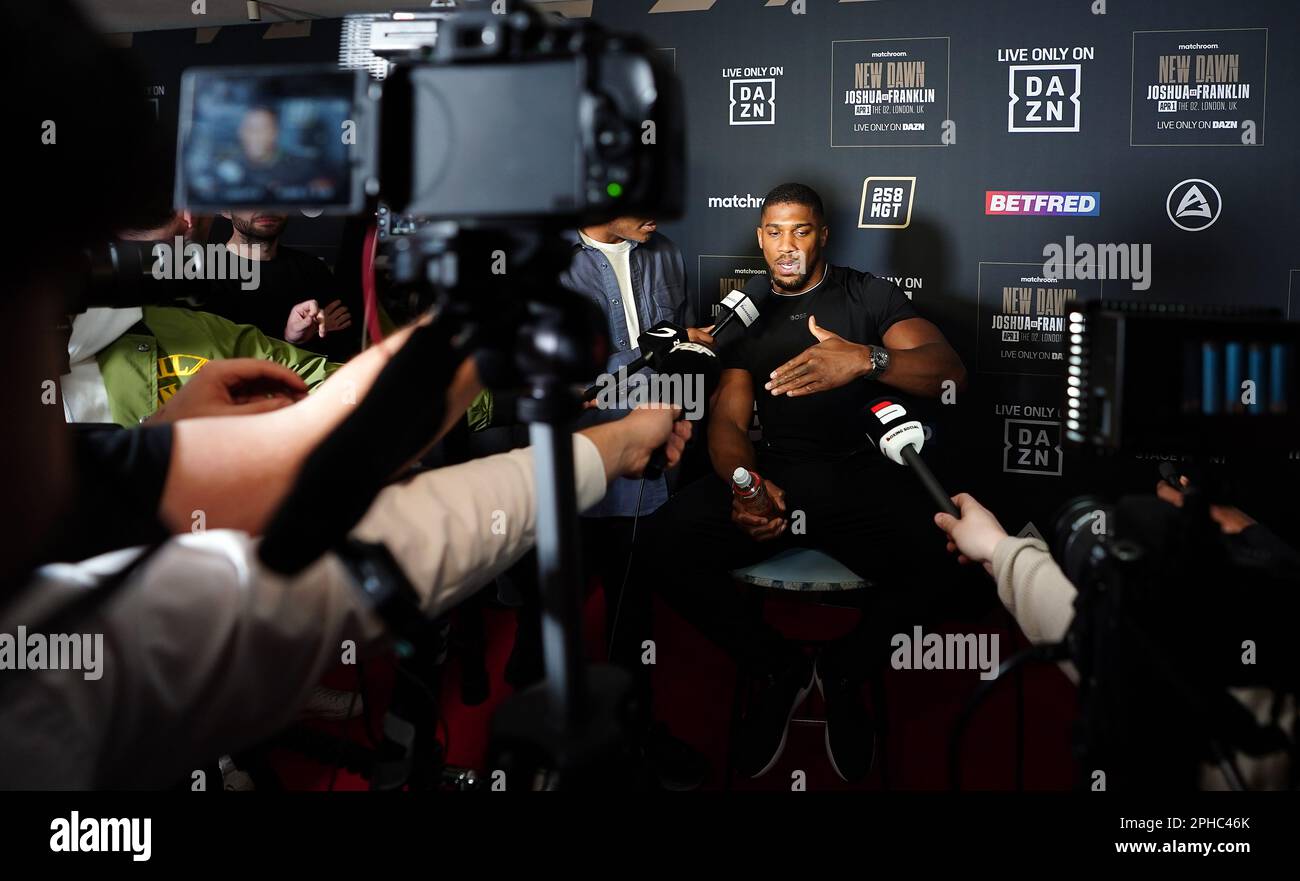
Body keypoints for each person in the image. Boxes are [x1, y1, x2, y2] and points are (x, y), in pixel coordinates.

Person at [639, 182, 968, 782]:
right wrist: (744, 484)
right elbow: (731, 419)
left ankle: (845, 670)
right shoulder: (746, 306)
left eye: (801, 230)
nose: (785, 245)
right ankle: (779, 667)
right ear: (760, 237)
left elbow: (950, 373)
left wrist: (865, 359)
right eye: (773, 230)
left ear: (823, 235)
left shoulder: (867, 294)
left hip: (858, 475)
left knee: (952, 556)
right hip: (776, 477)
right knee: (661, 544)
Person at [553, 214, 714, 788]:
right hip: (573, 470)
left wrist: (679, 365)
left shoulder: (665, 250)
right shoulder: (547, 265)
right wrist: (653, 359)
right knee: (555, 625)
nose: (661, 210)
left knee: (632, 622)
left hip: (654, 472)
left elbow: (683, 356)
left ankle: (636, 737)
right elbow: (566, 385)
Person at [205, 210, 361, 361]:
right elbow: (213, 352)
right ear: (226, 209)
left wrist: (310, 336)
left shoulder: (313, 269)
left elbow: (344, 346)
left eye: (275, 197)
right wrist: (289, 337)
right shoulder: (203, 272)